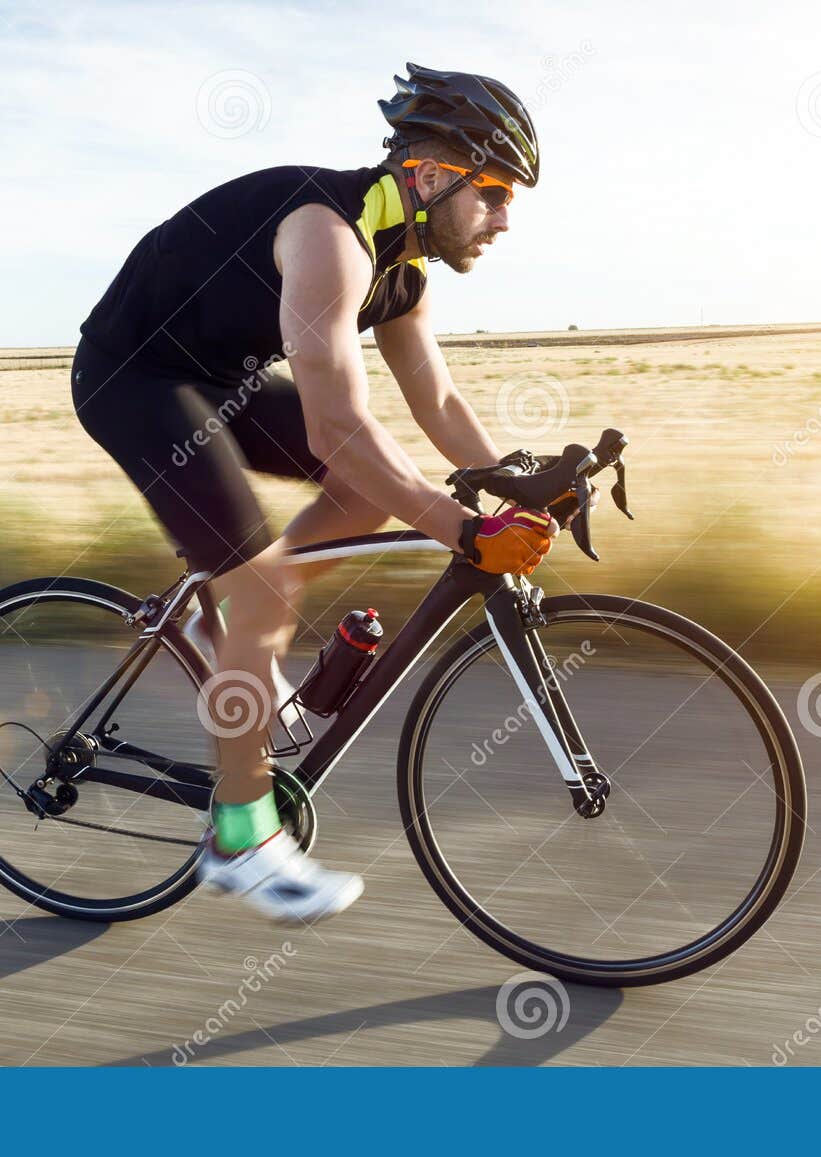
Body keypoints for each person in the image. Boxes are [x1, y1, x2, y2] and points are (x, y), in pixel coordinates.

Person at [72, 63, 555, 922]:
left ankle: (219, 617)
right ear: (434, 175)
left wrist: (525, 487)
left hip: (219, 380)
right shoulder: (328, 234)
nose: (507, 220)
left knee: (362, 498)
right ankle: (239, 838)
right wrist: (461, 528)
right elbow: (337, 429)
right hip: (134, 378)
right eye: (495, 193)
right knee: (266, 588)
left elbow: (437, 403)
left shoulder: (401, 272)